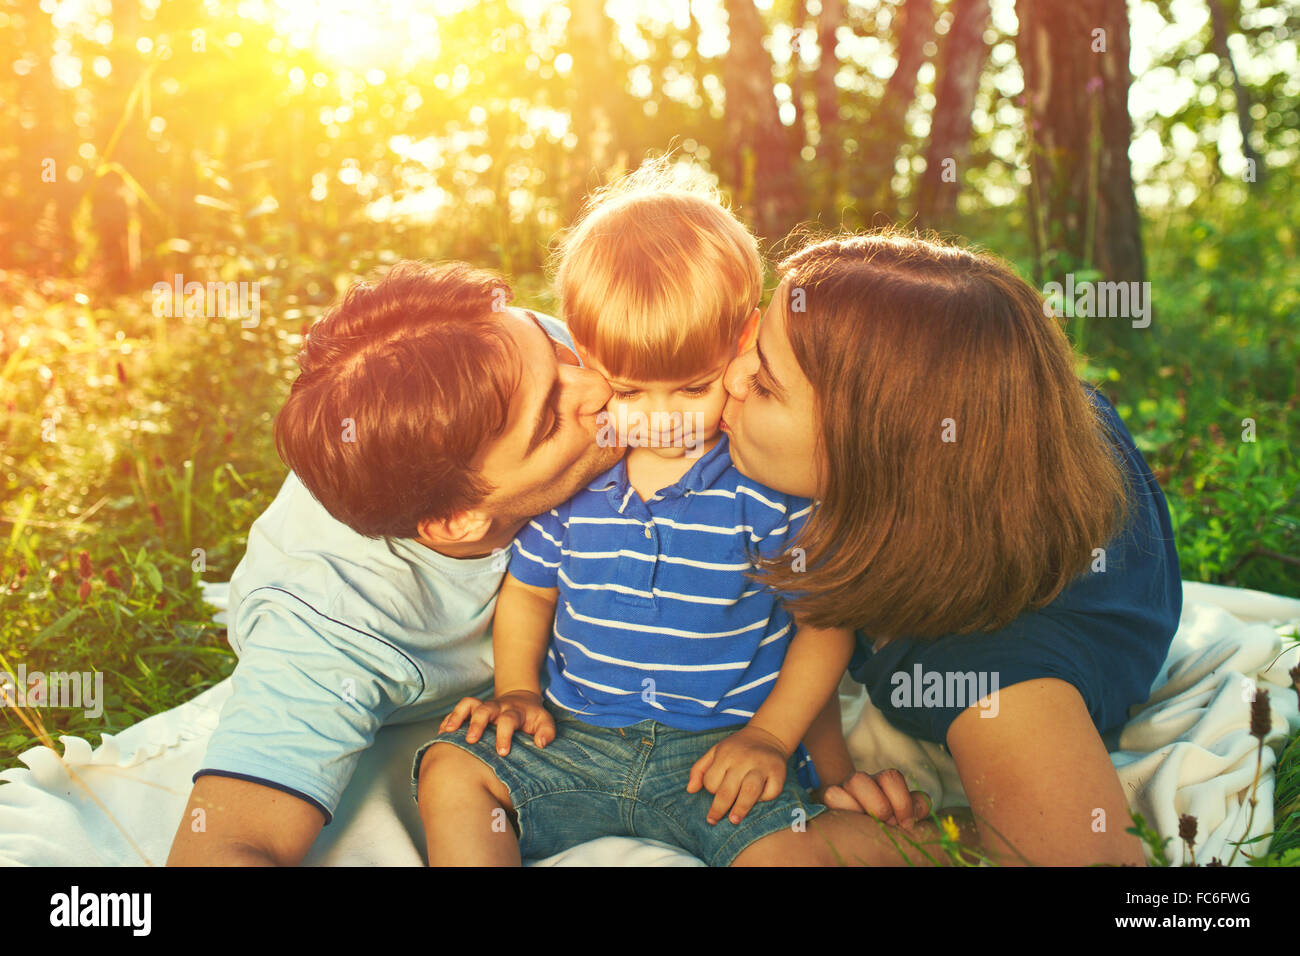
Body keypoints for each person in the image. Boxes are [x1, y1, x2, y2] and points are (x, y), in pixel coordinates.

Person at [414, 164, 875, 867]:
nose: (661, 419)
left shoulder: (769, 485)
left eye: (693, 387)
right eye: (630, 389)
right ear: (588, 357)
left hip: (719, 755)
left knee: (792, 853)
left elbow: (823, 623)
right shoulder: (575, 479)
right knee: (450, 768)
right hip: (574, 738)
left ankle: (911, 836)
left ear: (743, 342)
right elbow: (531, 592)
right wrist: (515, 691)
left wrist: (772, 740)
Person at [719, 230, 1183, 865]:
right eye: (752, 342)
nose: (730, 375)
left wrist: (942, 832)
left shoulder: (992, 679)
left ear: (873, 452)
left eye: (765, 385)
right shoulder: (967, 438)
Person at [167, 261, 621, 865]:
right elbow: (225, 846)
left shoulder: (515, 353)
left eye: (556, 351)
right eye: (549, 420)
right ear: (459, 521)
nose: (601, 386)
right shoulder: (332, 626)